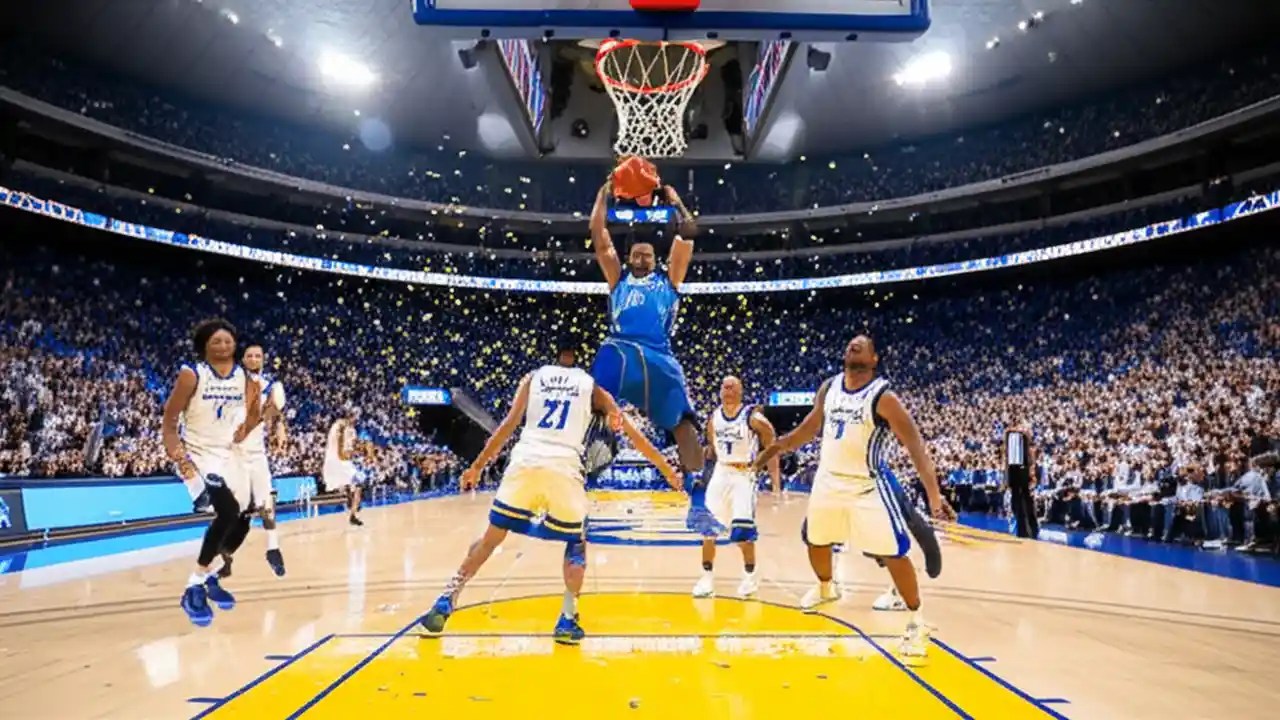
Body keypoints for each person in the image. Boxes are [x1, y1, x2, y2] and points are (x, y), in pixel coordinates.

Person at [419, 338, 682, 644]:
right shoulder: (591, 387)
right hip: (564, 468)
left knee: (491, 538)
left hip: (525, 462)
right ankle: (567, 620)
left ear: (556, 357)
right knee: (576, 542)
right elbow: (633, 435)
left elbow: (507, 425)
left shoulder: (534, 378)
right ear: (580, 359)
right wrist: (668, 471)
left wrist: (477, 466)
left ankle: (446, 598)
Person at [754, 335, 955, 658]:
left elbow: (915, 446)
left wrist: (934, 495)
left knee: (893, 554)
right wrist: (778, 446)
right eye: (850, 344)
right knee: (816, 541)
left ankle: (917, 621)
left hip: (866, 485)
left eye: (862, 345)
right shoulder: (829, 387)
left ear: (875, 359)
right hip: (827, 481)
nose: (853, 345)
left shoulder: (884, 397)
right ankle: (825, 588)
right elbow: (809, 428)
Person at [588, 175, 704, 474]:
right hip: (623, 349)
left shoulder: (669, 280)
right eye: (637, 254)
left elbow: (689, 231)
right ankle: (590, 453)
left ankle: (696, 486)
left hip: (658, 355)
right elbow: (598, 234)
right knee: (593, 391)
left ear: (656, 259)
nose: (641, 258)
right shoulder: (619, 280)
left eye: (647, 255)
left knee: (683, 422)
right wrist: (604, 192)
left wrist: (675, 202)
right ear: (628, 257)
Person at [161, 318, 262, 627]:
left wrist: (249, 426)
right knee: (228, 511)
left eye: (227, 340)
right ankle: (194, 585)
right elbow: (169, 421)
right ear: (204, 345)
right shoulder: (192, 374)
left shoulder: (245, 378)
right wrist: (182, 462)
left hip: (227, 453)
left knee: (246, 516)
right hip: (197, 454)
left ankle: (211, 574)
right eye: (215, 341)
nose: (222, 345)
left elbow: (254, 414)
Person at [692, 376, 779, 599]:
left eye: (732, 386)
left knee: (742, 532)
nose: (727, 389)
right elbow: (712, 448)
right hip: (721, 471)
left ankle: (750, 575)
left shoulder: (753, 417)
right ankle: (706, 578)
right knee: (707, 528)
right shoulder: (713, 418)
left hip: (744, 473)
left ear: (740, 391)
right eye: (724, 386)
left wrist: (774, 481)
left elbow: (772, 443)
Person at [229, 343, 289, 577]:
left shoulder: (270, 386)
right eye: (250, 356)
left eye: (258, 356)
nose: (254, 359)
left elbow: (275, 413)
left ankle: (273, 548)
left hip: (256, 453)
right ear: (243, 359)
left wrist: (280, 425)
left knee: (266, 504)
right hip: (234, 453)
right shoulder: (231, 382)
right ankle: (225, 557)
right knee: (237, 509)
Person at [323, 407, 364, 526]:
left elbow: (348, 446)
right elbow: (342, 447)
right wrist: (345, 454)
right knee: (358, 484)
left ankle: (351, 502)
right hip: (338, 460)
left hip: (334, 460)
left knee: (351, 484)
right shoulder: (343, 426)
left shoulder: (343, 426)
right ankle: (352, 511)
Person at [1004, 424, 1039, 538]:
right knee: (1022, 504)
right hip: (1020, 477)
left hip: (1022, 477)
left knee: (1024, 505)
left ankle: (1028, 531)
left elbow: (1031, 465)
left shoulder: (1027, 448)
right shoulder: (1021, 446)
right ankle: (1028, 530)